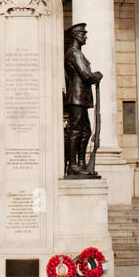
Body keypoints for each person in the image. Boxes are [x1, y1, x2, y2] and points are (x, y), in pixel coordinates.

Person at [63, 23, 102, 176]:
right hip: (76, 98)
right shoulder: (74, 53)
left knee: (86, 131)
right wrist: (97, 76)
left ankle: (81, 163)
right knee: (76, 130)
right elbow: (86, 75)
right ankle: (72, 165)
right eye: (82, 34)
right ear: (75, 36)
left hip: (81, 98)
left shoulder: (77, 53)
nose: (85, 36)